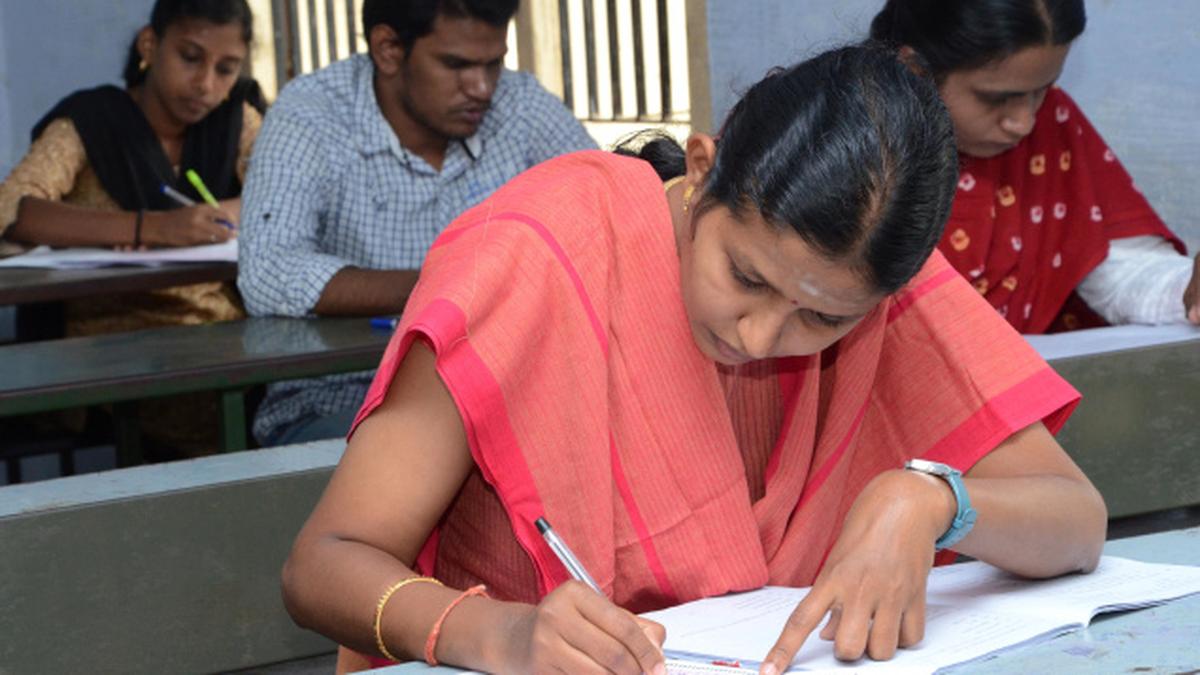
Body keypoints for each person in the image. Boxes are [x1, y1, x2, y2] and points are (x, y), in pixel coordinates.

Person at [280, 44, 1106, 674]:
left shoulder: (878, 284)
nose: (758, 335)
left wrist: (932, 500)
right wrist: (497, 631)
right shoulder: (540, 256)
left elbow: (1077, 520)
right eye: (744, 276)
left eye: (821, 318)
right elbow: (322, 563)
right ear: (704, 171)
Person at [238, 0, 597, 447]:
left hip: (499, 396)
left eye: (494, 64)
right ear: (388, 49)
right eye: (456, 65)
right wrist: (451, 289)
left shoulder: (518, 104)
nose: (483, 87)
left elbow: (606, 209)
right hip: (343, 400)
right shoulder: (313, 114)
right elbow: (268, 270)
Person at [870, 0, 1200, 334]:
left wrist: (1185, 288)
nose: (1023, 122)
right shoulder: (848, 150)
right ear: (915, 70)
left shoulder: (1051, 124)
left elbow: (1111, 266)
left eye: (1040, 91)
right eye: (996, 99)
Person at [0, 0, 263, 335]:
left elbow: (290, 197)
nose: (205, 84)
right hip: (97, 347)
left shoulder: (235, 122)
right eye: (190, 57)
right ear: (150, 45)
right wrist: (150, 228)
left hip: (223, 338)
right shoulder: (90, 121)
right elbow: (9, 208)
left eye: (226, 69)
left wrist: (223, 215)